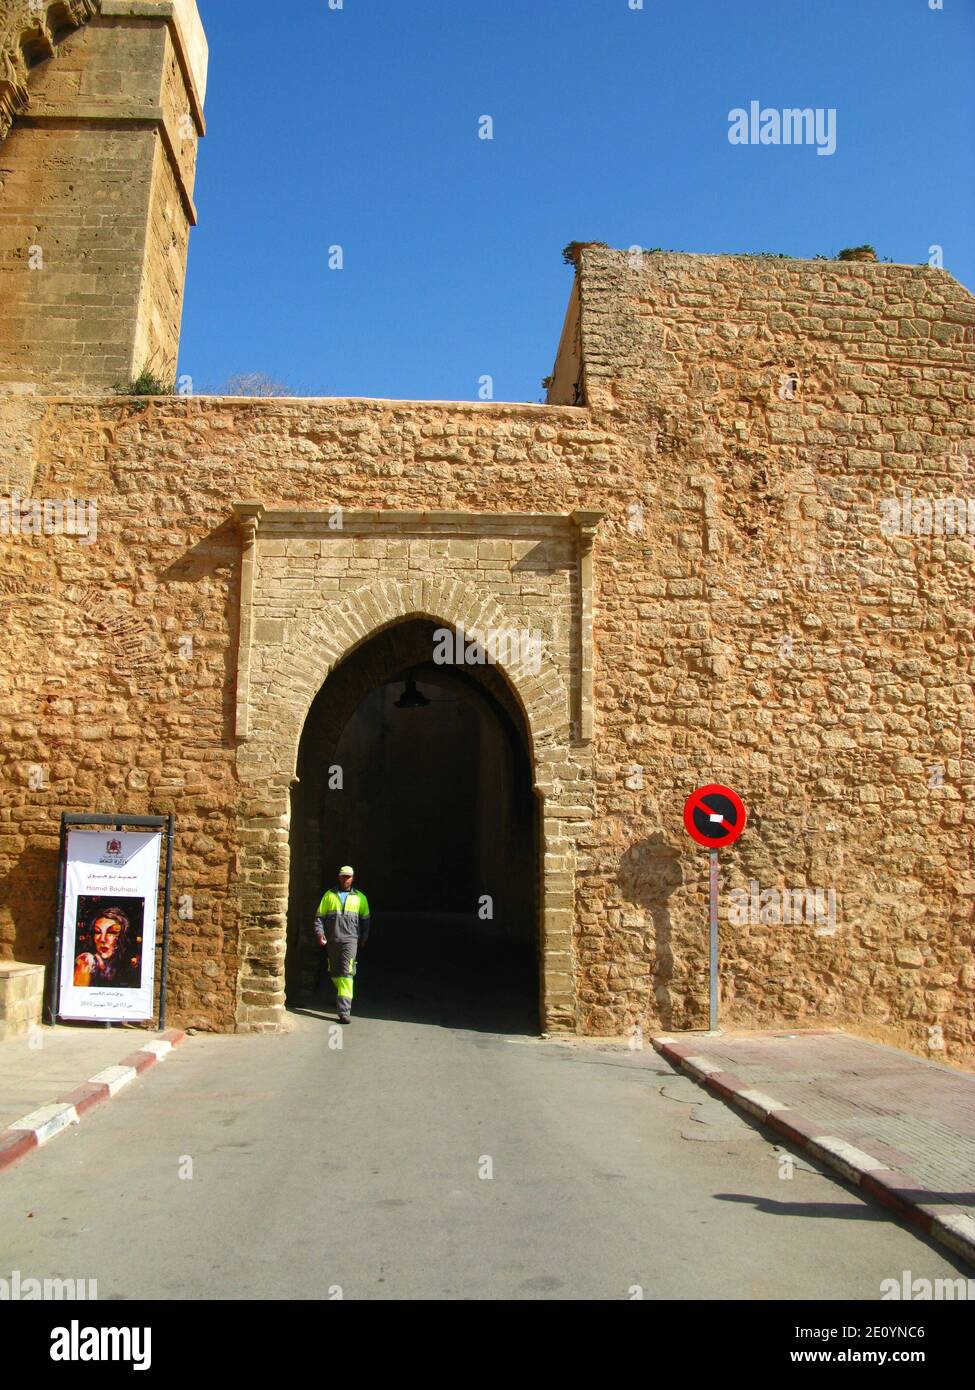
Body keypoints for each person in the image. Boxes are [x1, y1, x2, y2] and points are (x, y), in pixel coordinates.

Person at [314, 865, 370, 1024]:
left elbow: (366, 921)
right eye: (343, 876)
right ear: (339, 877)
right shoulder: (329, 896)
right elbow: (319, 917)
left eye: (348, 876)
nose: (346, 879)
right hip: (333, 940)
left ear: (353, 878)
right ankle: (342, 995)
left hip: (351, 940)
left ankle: (344, 1011)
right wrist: (319, 933)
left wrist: (364, 937)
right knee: (334, 972)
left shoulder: (360, 898)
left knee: (346, 973)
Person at [73, 904, 140, 988]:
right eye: (97, 932)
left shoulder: (126, 964)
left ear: (122, 936)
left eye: (111, 932)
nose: (102, 939)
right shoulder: (87, 961)